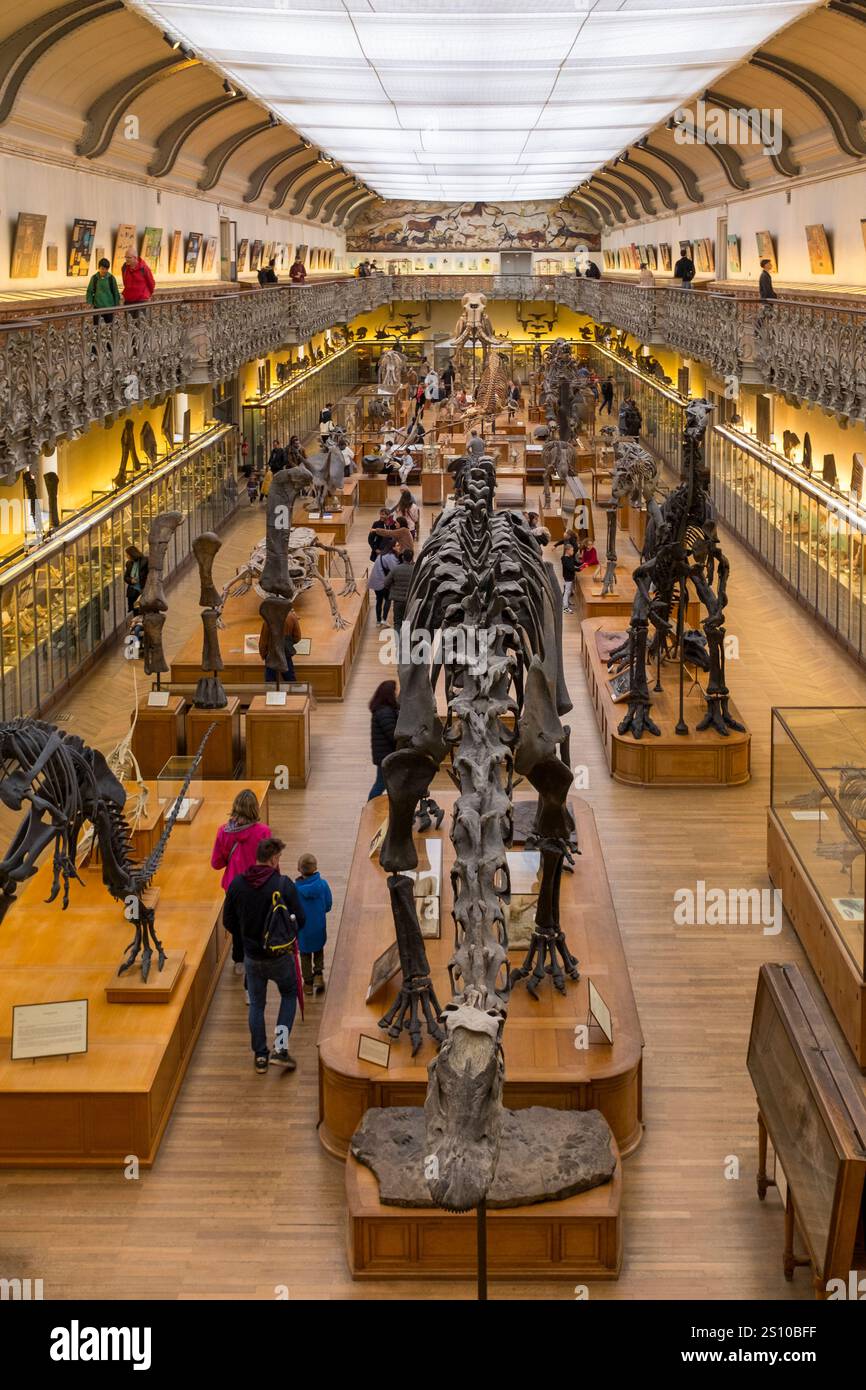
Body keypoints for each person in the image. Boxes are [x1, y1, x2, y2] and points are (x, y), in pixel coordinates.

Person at [223, 836, 305, 1072]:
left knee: (257, 1005)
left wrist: (246, 937)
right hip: (279, 956)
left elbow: (228, 920)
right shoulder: (283, 884)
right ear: (272, 859)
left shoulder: (237, 884)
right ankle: (280, 1050)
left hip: (252, 957)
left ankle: (260, 1056)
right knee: (288, 996)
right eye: (278, 857)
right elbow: (301, 918)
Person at [211, 790, 272, 977]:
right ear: (254, 809)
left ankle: (239, 960)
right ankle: (257, 956)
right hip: (259, 886)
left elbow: (216, 863)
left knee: (237, 925)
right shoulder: (263, 831)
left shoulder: (224, 831)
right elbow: (271, 861)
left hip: (234, 888)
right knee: (258, 922)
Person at [295, 853, 333, 996]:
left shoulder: (295, 889)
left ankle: (308, 984)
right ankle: (318, 974)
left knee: (305, 955)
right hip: (319, 927)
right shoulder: (322, 884)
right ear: (316, 867)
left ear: (298, 869)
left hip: (303, 930)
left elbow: (293, 908)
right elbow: (328, 905)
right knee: (318, 950)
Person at [368, 679, 399, 800]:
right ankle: (369, 807)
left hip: (384, 754)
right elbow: (392, 734)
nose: (396, 694)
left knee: (385, 784)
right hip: (386, 756)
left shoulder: (384, 709)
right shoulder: (384, 712)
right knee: (380, 785)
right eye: (394, 692)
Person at [259, 606, 301, 683]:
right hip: (285, 653)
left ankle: (272, 695)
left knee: (270, 682)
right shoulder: (292, 617)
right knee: (290, 680)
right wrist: (288, 643)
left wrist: (263, 654)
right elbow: (297, 637)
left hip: (271, 654)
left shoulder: (268, 619)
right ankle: (292, 695)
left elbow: (263, 640)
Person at [383, 546, 414, 633]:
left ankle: (398, 644)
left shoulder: (396, 569)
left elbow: (386, 583)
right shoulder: (415, 570)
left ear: (403, 557)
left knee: (397, 623)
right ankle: (406, 643)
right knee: (408, 622)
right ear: (411, 558)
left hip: (398, 601)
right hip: (410, 601)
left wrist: (393, 586)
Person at [368, 545, 400, 625]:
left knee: (379, 600)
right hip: (383, 582)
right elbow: (394, 570)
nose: (399, 547)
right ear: (392, 547)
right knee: (388, 600)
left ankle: (378, 620)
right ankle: (384, 619)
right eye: (397, 545)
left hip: (376, 581)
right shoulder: (390, 557)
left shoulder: (382, 555)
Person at [86, 257, 121, 322]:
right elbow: (90, 291)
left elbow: (115, 292)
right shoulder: (94, 278)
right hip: (97, 307)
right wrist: (89, 302)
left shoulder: (111, 278)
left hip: (109, 307)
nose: (104, 271)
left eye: (106, 269)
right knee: (96, 327)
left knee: (110, 327)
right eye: (102, 269)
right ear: (99, 268)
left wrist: (117, 306)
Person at [123, 545, 148, 613]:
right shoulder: (129, 563)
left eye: (127, 554)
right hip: (133, 592)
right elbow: (126, 577)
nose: (126, 556)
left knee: (143, 610)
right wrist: (131, 580)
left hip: (143, 590)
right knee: (136, 611)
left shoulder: (145, 561)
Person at [561, 543, 577, 614]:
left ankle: (567, 602)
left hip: (570, 576)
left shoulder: (571, 557)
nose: (573, 552)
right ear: (567, 551)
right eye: (572, 550)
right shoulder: (564, 559)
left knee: (569, 591)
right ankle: (565, 607)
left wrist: (582, 564)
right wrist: (577, 569)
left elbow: (575, 563)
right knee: (567, 592)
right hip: (567, 577)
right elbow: (570, 568)